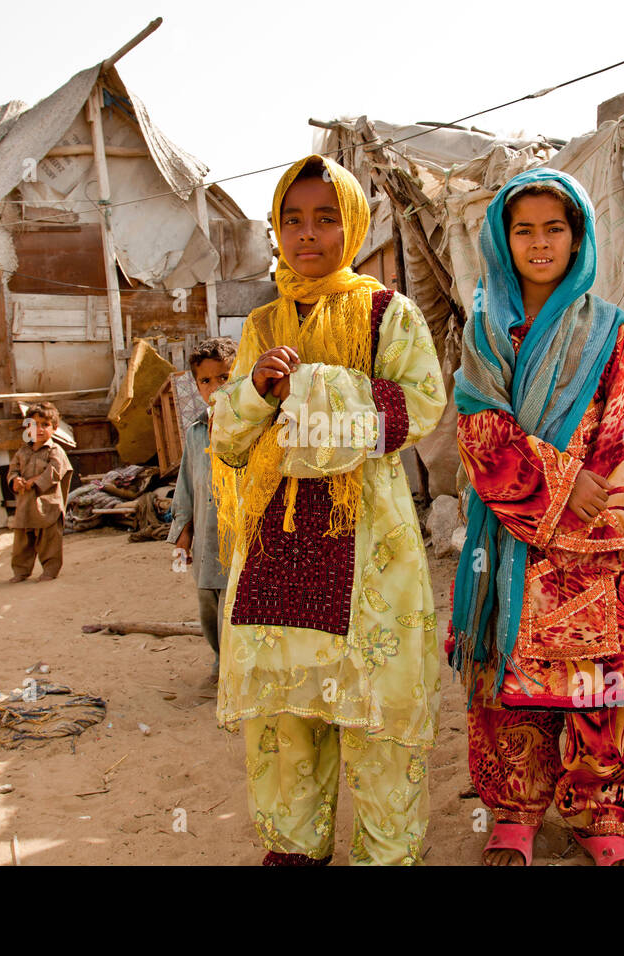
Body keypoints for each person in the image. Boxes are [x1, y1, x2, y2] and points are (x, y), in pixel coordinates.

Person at [209, 155, 446, 865]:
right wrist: (254, 388)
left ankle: (386, 854)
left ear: (354, 226)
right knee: (285, 720)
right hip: (277, 543)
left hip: (368, 541)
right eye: (292, 219)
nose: (306, 234)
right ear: (275, 229)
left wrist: (310, 389)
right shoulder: (261, 323)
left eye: (324, 218)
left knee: (380, 715)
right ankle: (292, 849)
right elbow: (229, 437)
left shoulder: (389, 314)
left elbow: (421, 407)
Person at [450, 168, 624, 866]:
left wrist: (609, 504)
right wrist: (557, 483)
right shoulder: (485, 329)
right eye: (524, 229)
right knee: (507, 681)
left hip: (593, 534)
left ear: (577, 237)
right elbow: (477, 427)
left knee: (597, 684)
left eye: (555, 228)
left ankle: (602, 816)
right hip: (511, 539)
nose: (540, 241)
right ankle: (515, 814)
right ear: (502, 238)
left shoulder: (607, 327)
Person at [169, 336, 237, 684]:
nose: (215, 387)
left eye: (224, 377)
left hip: (240, 538)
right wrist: (183, 537)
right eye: (206, 380)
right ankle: (218, 659)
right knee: (207, 603)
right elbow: (186, 486)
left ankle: (235, 669)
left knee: (234, 605)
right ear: (196, 385)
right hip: (207, 540)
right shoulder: (196, 431)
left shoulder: (248, 427)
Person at [6, 401, 72, 582]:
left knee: (49, 540)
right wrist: (15, 480)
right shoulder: (22, 452)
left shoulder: (55, 451)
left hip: (47, 505)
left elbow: (57, 471)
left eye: (45, 425)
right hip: (25, 504)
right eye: (34, 425)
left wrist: (36, 481)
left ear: (55, 428)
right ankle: (21, 571)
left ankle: (50, 570)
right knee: (22, 541)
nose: (40, 429)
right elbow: (12, 470)